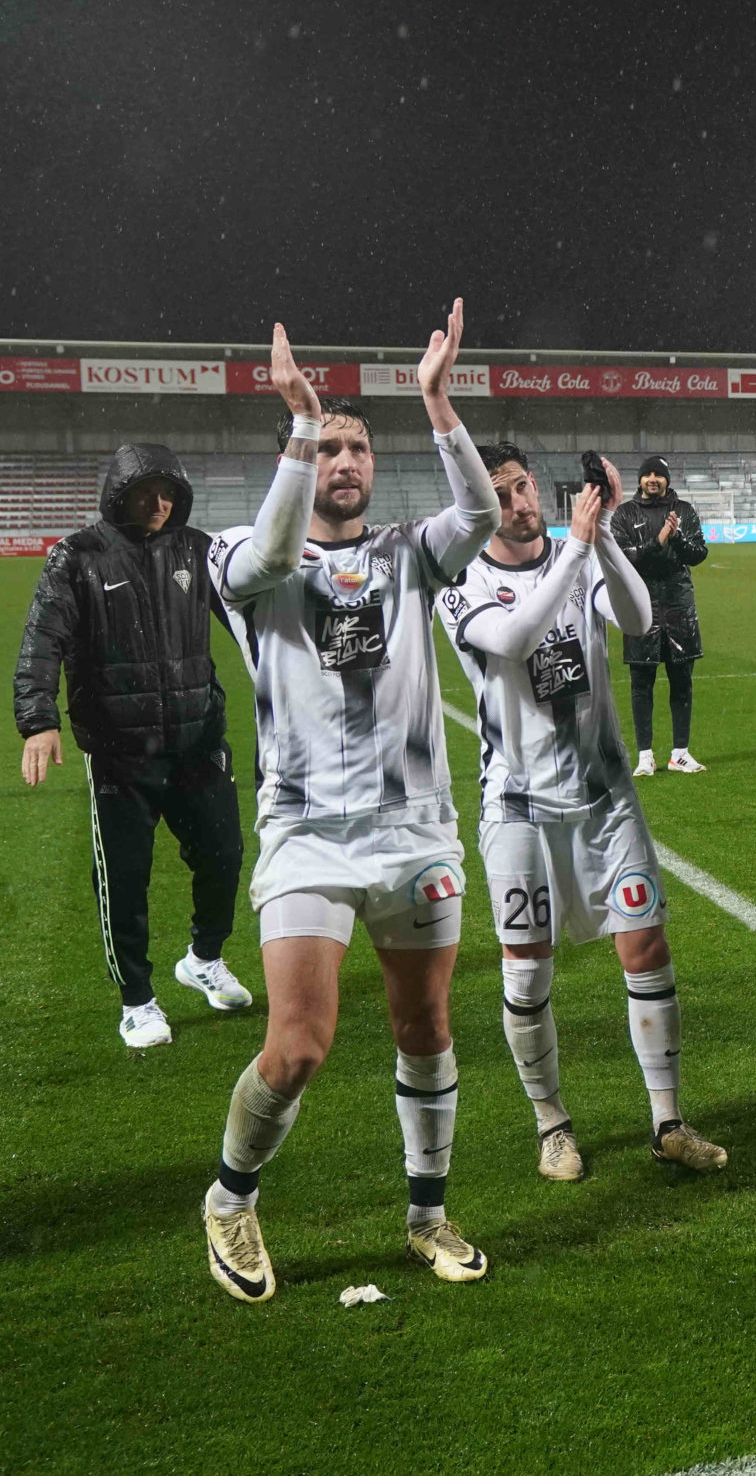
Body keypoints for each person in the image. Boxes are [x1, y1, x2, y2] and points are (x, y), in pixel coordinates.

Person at [199, 305, 499, 1304]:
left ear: (377, 464)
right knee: (297, 1048)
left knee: (425, 1029)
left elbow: (484, 520)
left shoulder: (414, 551)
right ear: (300, 458)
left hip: (416, 830)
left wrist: (435, 399)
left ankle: (427, 1215)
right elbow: (274, 562)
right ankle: (231, 1199)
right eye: (328, 446)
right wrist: (295, 418)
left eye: (355, 445)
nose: (343, 459)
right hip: (307, 835)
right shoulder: (243, 553)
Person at [439, 447, 727, 1179]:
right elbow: (513, 637)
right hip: (520, 807)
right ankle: (553, 1126)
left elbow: (635, 617)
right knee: (528, 974)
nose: (518, 501)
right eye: (499, 493)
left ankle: (668, 1120)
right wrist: (574, 549)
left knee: (647, 948)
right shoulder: (461, 578)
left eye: (522, 485)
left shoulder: (582, 552)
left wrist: (597, 540)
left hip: (605, 796)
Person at [16, 444, 252, 1048]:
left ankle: (203, 958)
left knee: (224, 856)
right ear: (118, 494)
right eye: (146, 493)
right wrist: (37, 718)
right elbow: (42, 637)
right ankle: (138, 1001)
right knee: (124, 878)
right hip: (121, 753)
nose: (160, 504)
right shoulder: (77, 557)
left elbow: (251, 620)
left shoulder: (196, 550)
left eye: (169, 493)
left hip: (200, 740)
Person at [610, 456, 708, 776]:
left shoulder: (685, 510)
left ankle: (680, 753)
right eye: (647, 474)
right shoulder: (624, 514)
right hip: (640, 606)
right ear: (639, 480)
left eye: (659, 475)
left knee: (682, 682)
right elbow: (625, 559)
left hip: (680, 606)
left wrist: (677, 536)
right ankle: (645, 756)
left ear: (667, 479)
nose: (653, 479)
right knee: (642, 683)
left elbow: (699, 554)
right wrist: (660, 539)